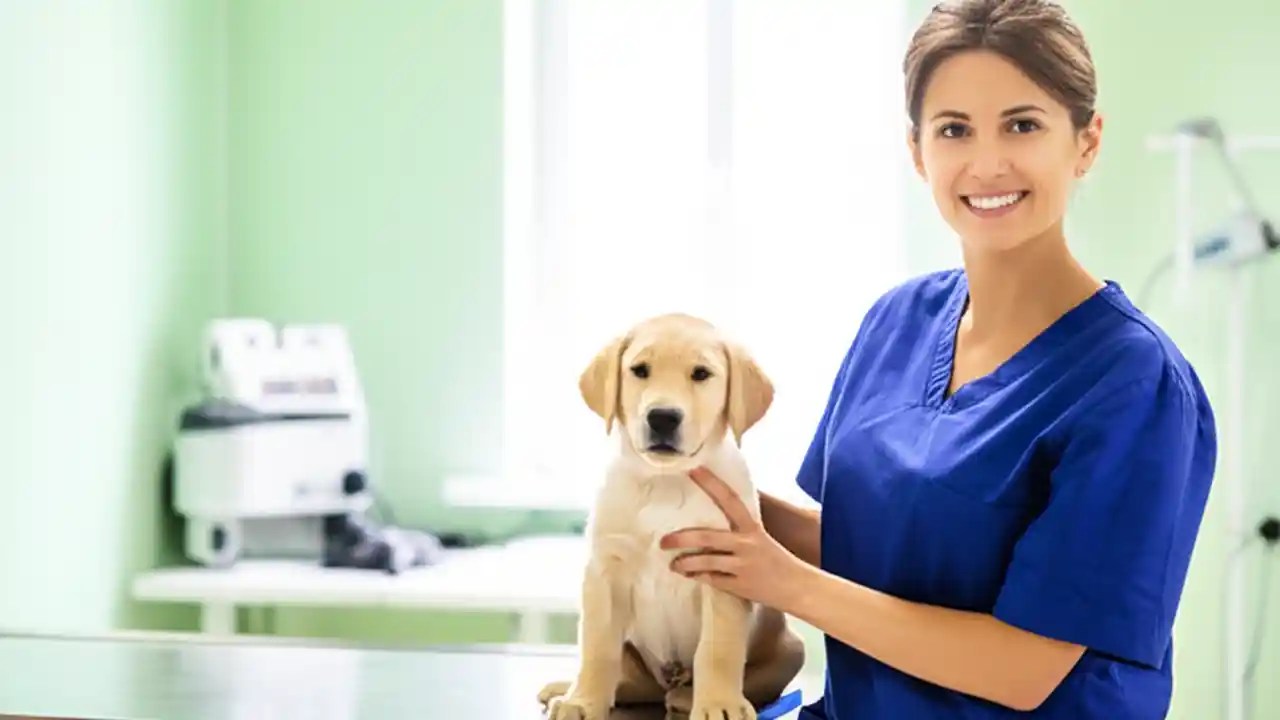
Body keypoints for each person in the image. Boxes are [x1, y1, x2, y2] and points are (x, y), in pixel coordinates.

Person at [659, 0, 1218, 718]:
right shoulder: (899, 320)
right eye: (955, 129)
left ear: (1086, 141)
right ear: (919, 151)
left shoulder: (1135, 385)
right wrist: (697, 490)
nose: (987, 163)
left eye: (1023, 124)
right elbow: (879, 549)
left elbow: (1027, 668)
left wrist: (787, 584)